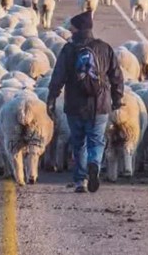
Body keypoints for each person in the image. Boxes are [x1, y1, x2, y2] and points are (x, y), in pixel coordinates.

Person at [46, 11, 124, 193]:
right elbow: (117, 76)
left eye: (72, 26)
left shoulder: (68, 49)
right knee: (96, 141)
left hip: (74, 104)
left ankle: (80, 180)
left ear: (77, 29)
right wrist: (117, 98)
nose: (70, 29)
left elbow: (58, 77)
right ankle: (94, 164)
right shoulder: (105, 48)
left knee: (78, 141)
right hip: (100, 104)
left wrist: (51, 98)